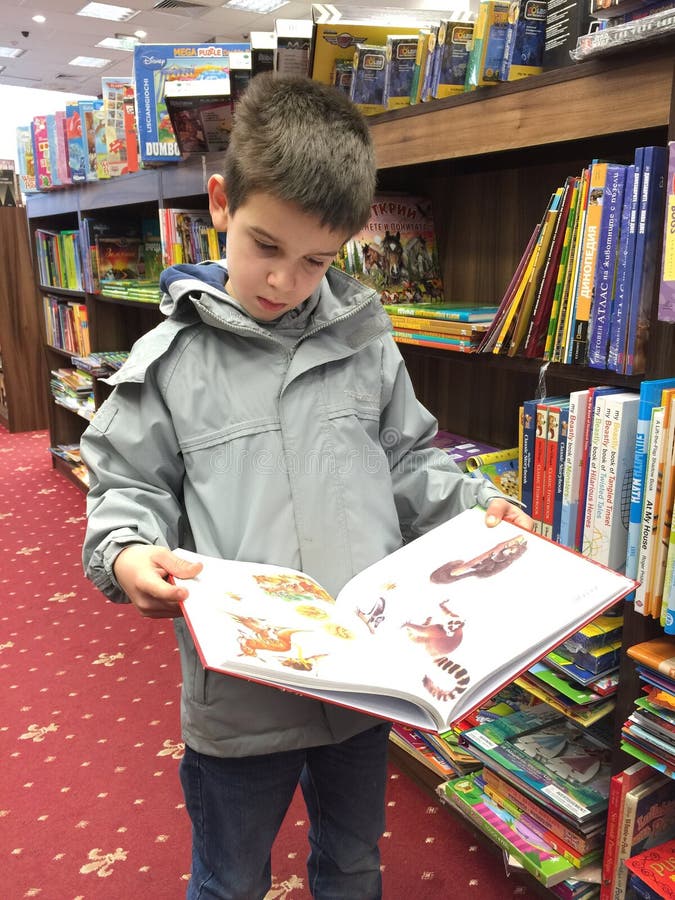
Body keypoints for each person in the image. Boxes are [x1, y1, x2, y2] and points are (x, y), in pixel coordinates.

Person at [81, 72, 533, 900]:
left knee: (353, 863)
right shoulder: (170, 363)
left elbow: (409, 458)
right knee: (229, 878)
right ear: (221, 204)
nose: (284, 281)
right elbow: (126, 487)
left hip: (363, 684)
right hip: (242, 702)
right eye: (265, 246)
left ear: (348, 243)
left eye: (316, 261)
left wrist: (477, 509)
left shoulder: (365, 342)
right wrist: (127, 554)